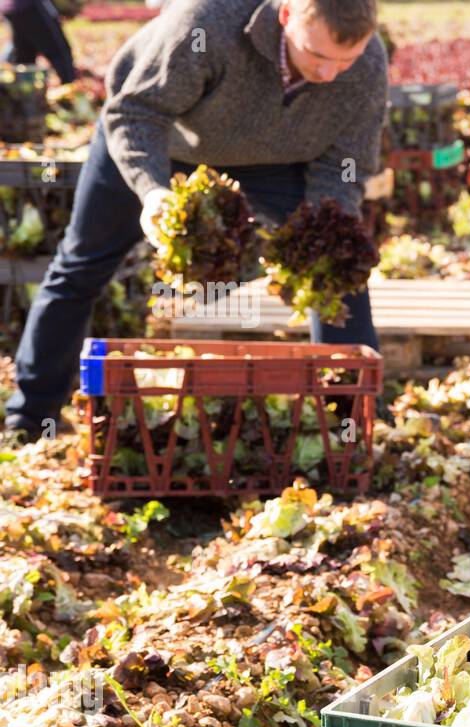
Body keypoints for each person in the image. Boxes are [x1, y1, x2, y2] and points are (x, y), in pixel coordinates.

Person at [3, 0, 387, 441]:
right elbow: (136, 113)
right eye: (317, 56)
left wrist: (327, 224)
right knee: (82, 264)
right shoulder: (206, 24)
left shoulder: (367, 60)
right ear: (286, 18)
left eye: (346, 60)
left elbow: (346, 160)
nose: (330, 74)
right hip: (162, 145)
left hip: (276, 161)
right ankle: (30, 418)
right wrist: (152, 192)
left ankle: (347, 424)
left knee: (335, 271)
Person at [1, 0, 77, 84]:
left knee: (24, 54)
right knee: (58, 51)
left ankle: (23, 91)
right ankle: (70, 85)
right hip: (30, 6)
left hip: (10, 7)